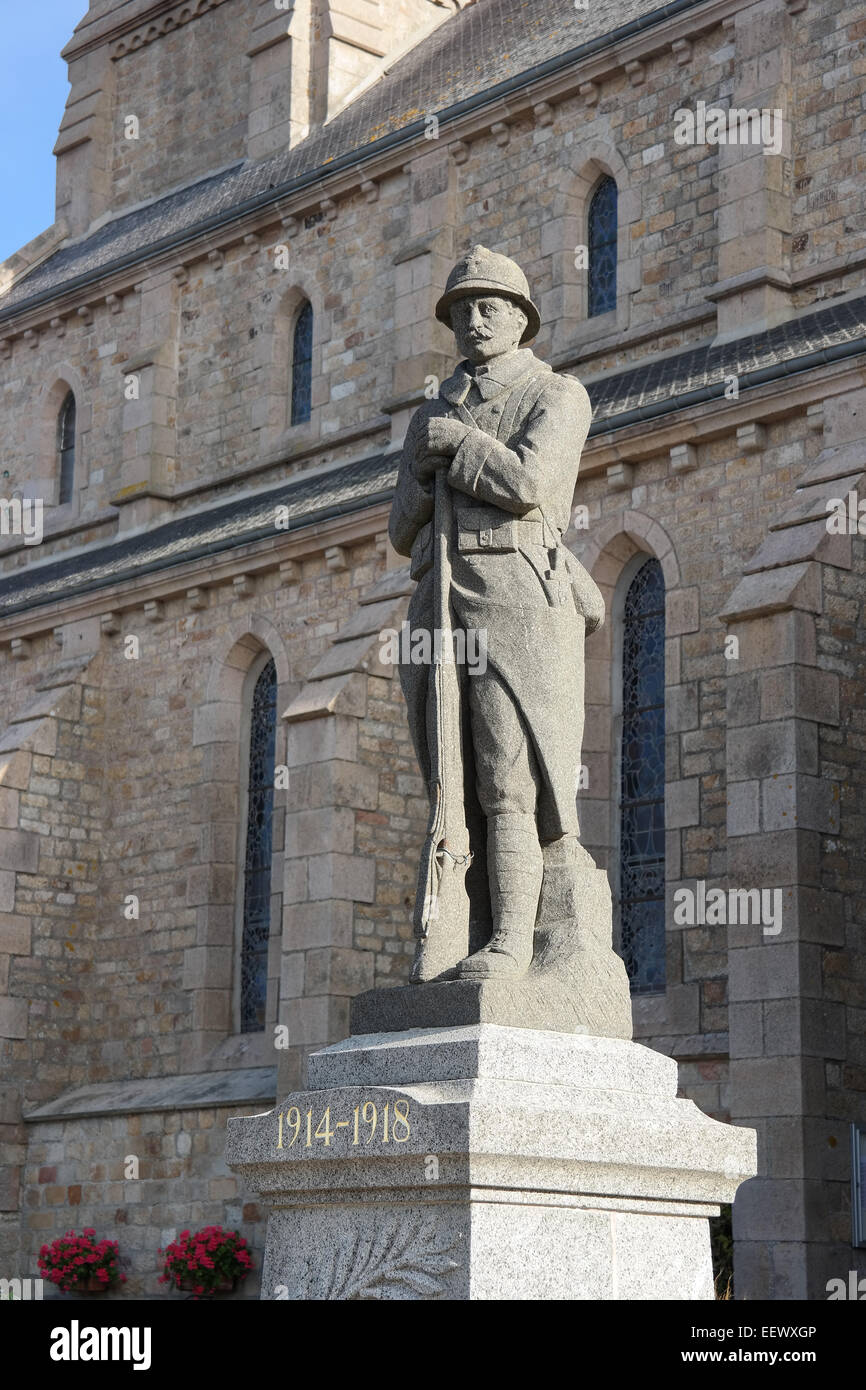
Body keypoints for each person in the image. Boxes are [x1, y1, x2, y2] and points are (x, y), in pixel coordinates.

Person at [389, 245, 603, 979]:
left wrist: (463, 447)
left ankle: (514, 940)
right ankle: (453, 936)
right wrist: (422, 472)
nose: (474, 321)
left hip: (513, 596)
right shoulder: (430, 412)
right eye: (461, 311)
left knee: (506, 778)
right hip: (439, 602)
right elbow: (398, 529)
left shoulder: (556, 393)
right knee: (450, 784)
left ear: (520, 319)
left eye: (490, 307)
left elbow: (534, 482)